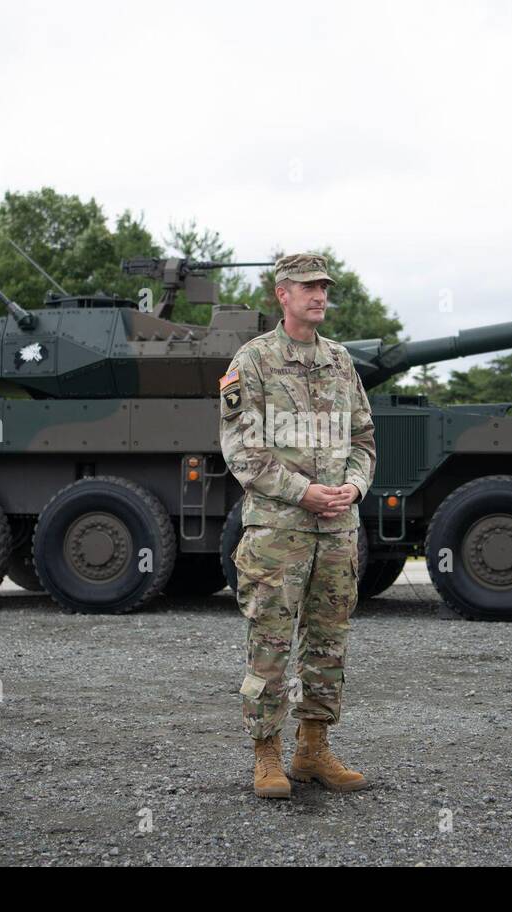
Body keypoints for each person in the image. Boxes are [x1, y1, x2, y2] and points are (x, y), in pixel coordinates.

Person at [219, 252, 377, 798]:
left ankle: (312, 748)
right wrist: (302, 492)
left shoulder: (340, 361)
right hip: (277, 533)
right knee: (270, 643)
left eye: (324, 286)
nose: (319, 294)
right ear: (281, 293)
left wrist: (354, 487)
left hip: (337, 530)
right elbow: (243, 450)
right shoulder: (254, 360)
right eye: (308, 286)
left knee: (329, 642)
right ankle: (266, 754)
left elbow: (363, 440)